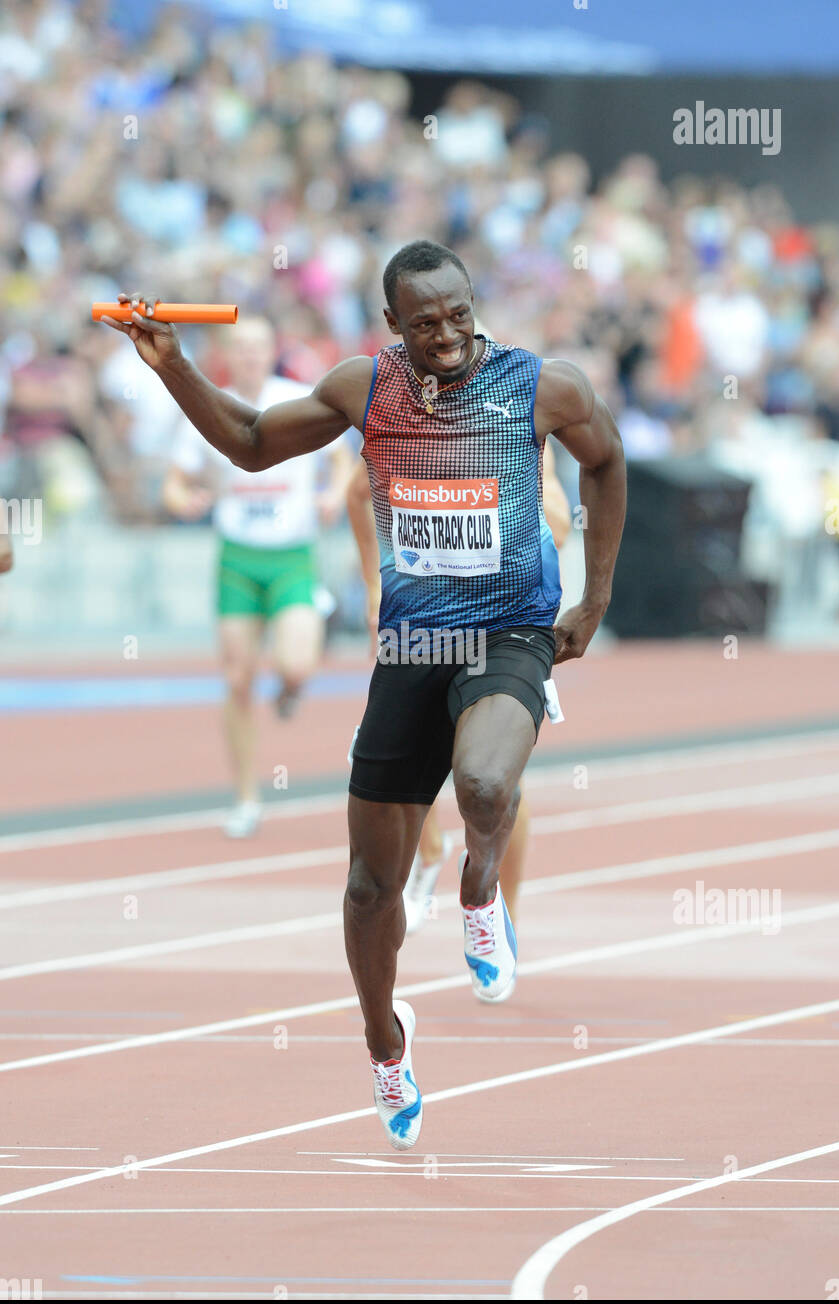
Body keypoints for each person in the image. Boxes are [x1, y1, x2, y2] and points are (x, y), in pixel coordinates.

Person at [100, 240, 626, 1150]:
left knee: (488, 786)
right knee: (367, 885)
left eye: (459, 314)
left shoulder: (542, 386)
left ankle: (478, 889)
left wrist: (595, 598)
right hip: (413, 643)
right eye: (426, 323)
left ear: (474, 303)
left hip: (508, 631)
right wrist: (174, 366)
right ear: (394, 326)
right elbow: (254, 443)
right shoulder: (364, 387)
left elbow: (607, 463)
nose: (448, 335)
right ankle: (386, 1038)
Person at [346, 437, 573, 932]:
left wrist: (505, 509)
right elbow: (357, 493)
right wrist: (371, 587)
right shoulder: (406, 435)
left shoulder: (519, 434)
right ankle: (429, 849)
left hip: (499, 634)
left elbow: (559, 524)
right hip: (422, 628)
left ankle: (498, 909)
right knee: (385, 760)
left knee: (496, 783)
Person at [161, 316, 352, 839]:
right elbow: (173, 485)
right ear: (227, 353)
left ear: (272, 351)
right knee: (238, 680)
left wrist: (334, 494)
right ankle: (246, 796)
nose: (249, 356)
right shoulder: (208, 407)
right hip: (237, 561)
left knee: (295, 666)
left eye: (258, 347)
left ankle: (292, 686)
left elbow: (341, 463)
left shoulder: (296, 400)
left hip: (292, 557)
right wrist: (185, 501)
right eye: (239, 348)